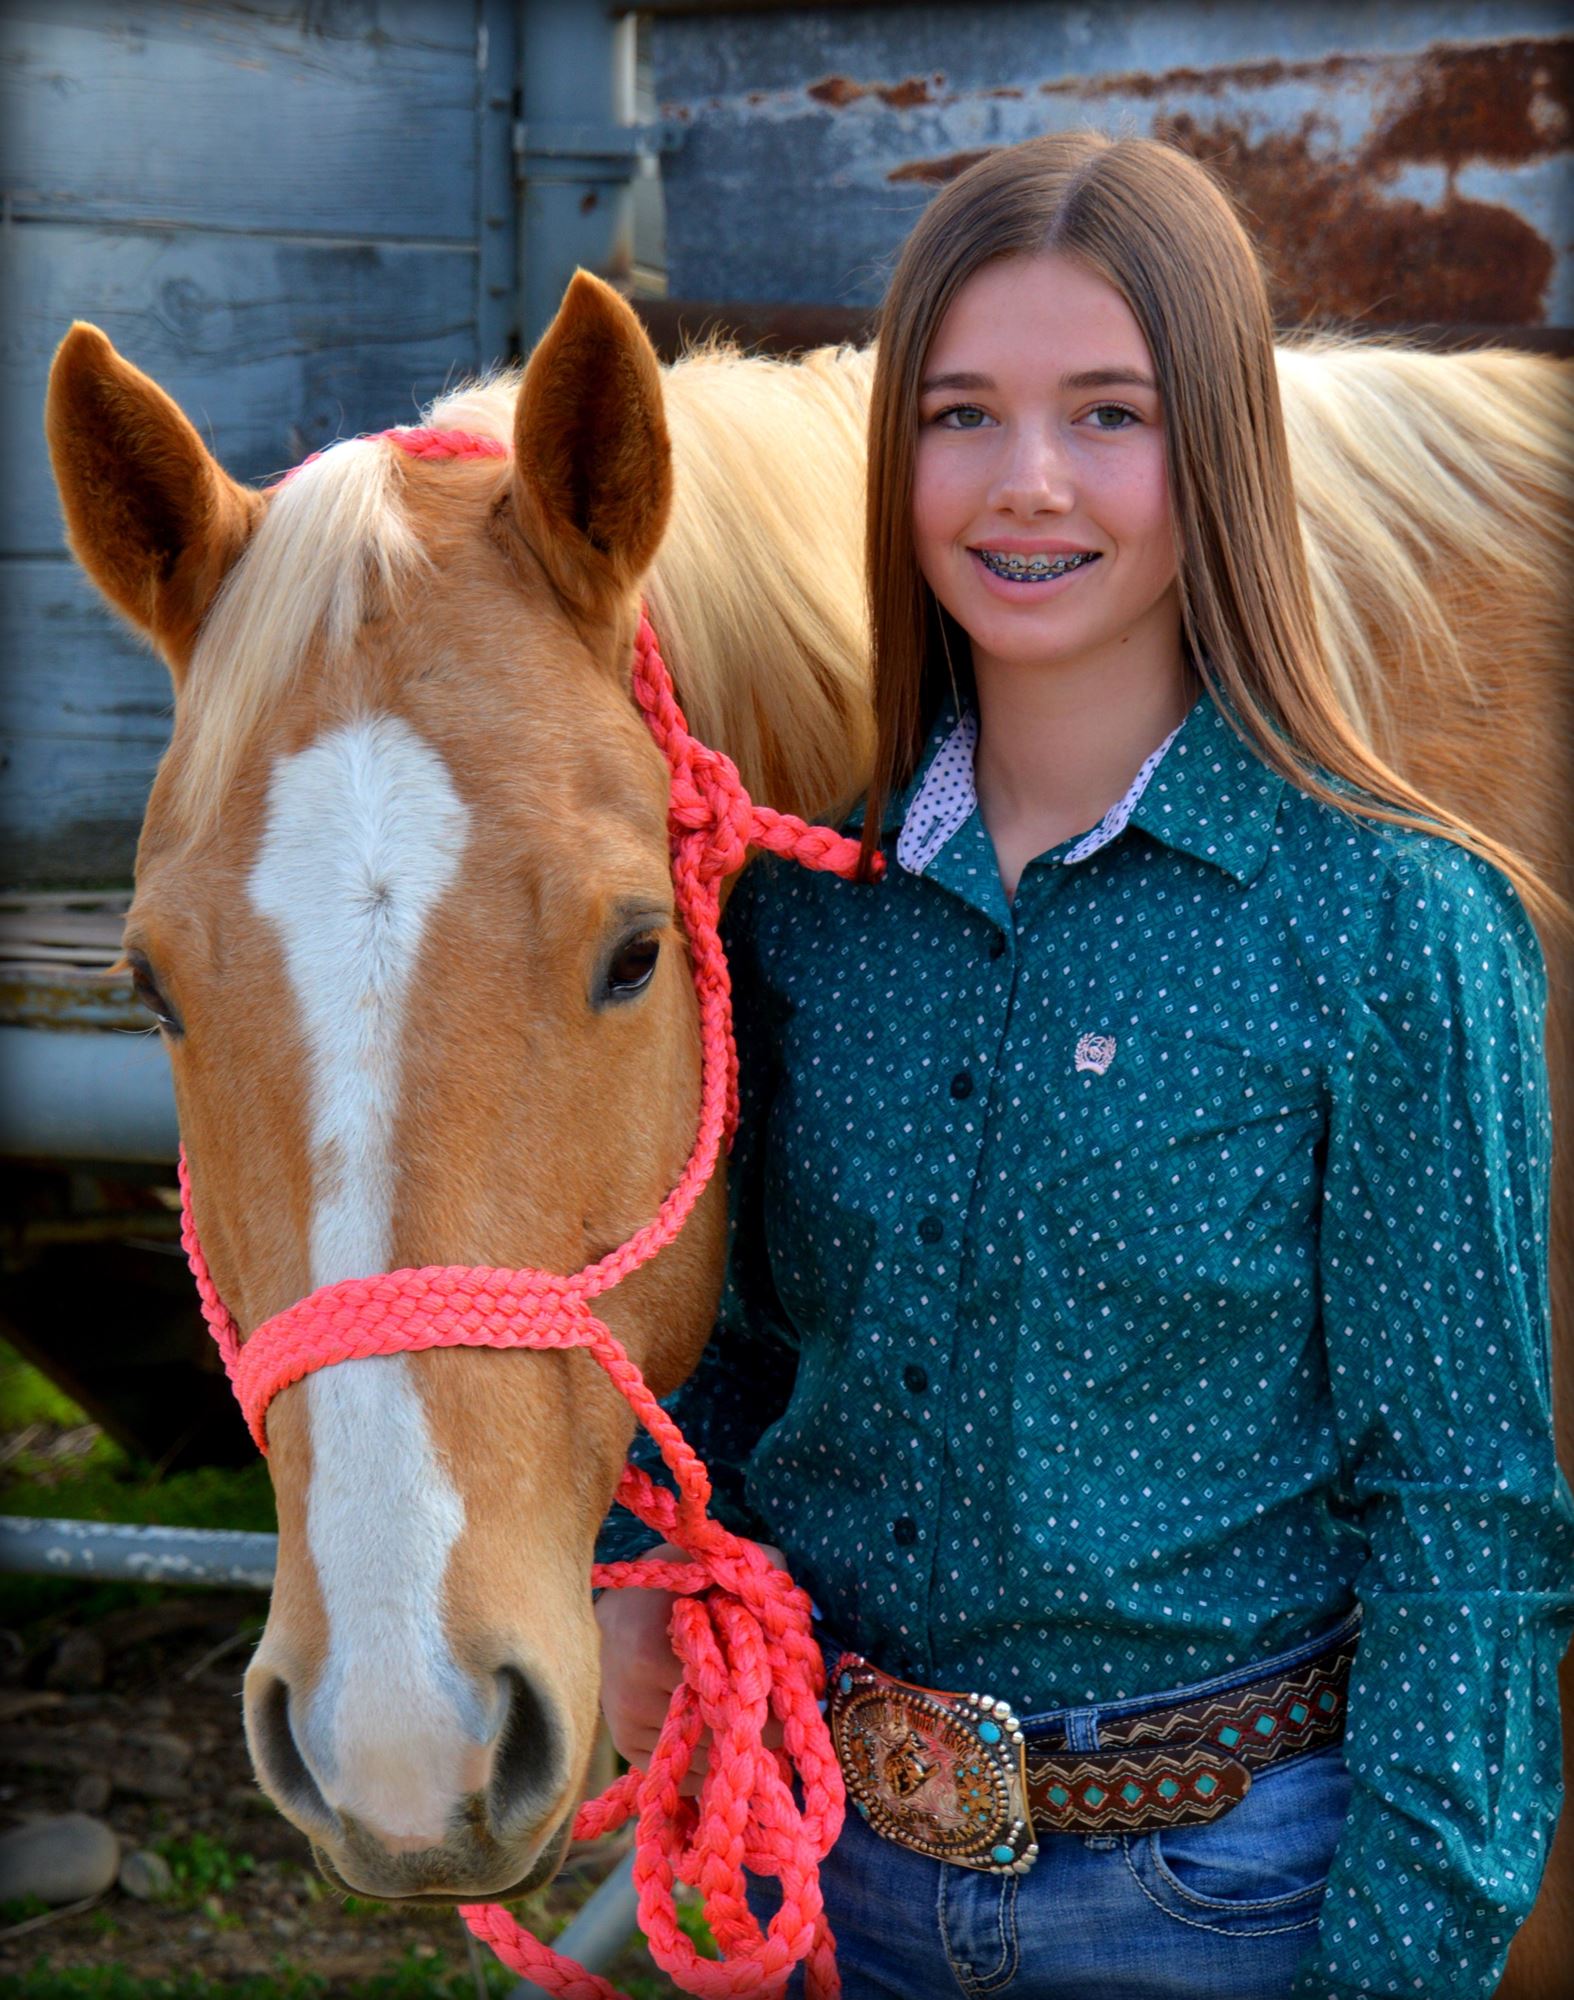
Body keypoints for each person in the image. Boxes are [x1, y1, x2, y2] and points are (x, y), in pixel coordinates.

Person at [595, 130, 1574, 1999]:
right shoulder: (801, 905)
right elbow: (735, 1351)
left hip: (1229, 1904)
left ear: (1214, 448)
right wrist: (651, 1565)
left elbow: (1468, 1514)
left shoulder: (1389, 925)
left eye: (1105, 413)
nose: (1023, 483)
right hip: (840, 1889)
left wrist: (1397, 1962)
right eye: (959, 415)